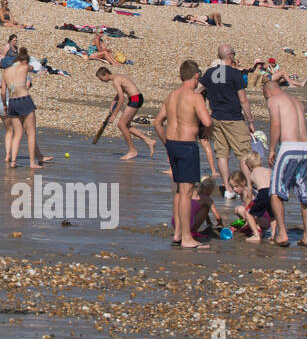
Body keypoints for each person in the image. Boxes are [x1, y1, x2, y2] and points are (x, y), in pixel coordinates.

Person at [152, 60, 213, 250]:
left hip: (172, 144)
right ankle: (187, 237)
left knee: (179, 191)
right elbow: (207, 121)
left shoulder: (171, 96)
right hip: (187, 145)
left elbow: (157, 122)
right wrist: (207, 131)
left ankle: (178, 233)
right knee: (187, 192)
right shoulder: (195, 97)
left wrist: (166, 142)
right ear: (196, 76)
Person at [198, 44, 256, 198]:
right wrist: (250, 121)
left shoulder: (210, 72)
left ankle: (228, 189)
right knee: (244, 154)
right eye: (234, 54)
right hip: (233, 118)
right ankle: (249, 188)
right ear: (230, 56)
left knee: (222, 154)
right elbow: (243, 99)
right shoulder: (235, 74)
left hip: (216, 117)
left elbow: (197, 90)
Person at [263, 79, 307, 247]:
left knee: (275, 192)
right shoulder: (297, 102)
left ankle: (282, 234)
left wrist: (272, 149)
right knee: (305, 194)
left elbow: (276, 124)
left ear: (267, 92)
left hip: (289, 148)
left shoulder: (274, 100)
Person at [0, 47, 49, 169]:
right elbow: (34, 67)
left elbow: (3, 92)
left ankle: (13, 161)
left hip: (12, 102)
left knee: (17, 133)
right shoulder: (25, 67)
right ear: (24, 60)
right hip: (24, 100)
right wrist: (29, 64)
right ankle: (32, 163)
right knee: (31, 133)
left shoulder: (5, 71)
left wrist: (4, 104)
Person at [95, 66, 156, 159]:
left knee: (121, 125)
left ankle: (133, 151)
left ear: (105, 74)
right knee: (126, 125)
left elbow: (122, 98)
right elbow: (120, 93)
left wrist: (114, 115)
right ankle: (148, 141)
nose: (101, 81)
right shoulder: (117, 77)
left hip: (135, 99)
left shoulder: (116, 80)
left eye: (101, 78)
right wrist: (113, 103)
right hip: (136, 98)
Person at [231, 149, 273, 243]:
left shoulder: (252, 175)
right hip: (273, 193)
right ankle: (274, 235)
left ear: (249, 165)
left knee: (248, 214)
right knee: (273, 216)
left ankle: (256, 235)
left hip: (263, 193)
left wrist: (247, 210)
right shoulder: (268, 170)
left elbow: (249, 196)